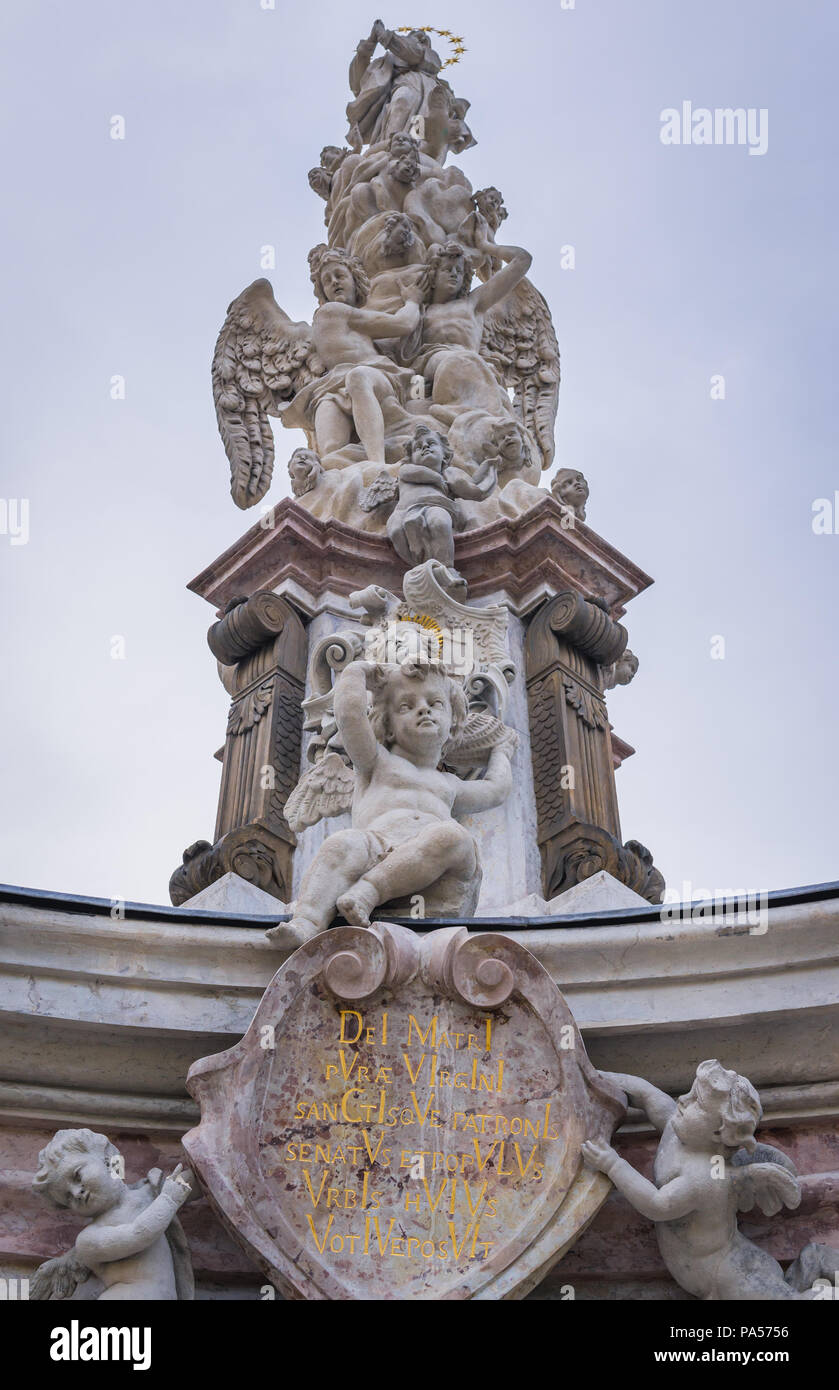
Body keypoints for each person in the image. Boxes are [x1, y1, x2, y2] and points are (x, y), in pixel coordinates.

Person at [269, 657, 513, 943]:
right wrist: (356, 670)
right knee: (342, 843)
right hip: (376, 847)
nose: (423, 709)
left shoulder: (450, 785)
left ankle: (368, 892)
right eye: (406, 706)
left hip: (436, 867)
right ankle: (307, 923)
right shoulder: (375, 762)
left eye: (435, 703)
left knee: (452, 836)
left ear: (452, 722)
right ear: (388, 725)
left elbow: (496, 789)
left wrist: (502, 752)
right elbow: (349, 716)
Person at [31, 1128, 192, 1301]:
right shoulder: (88, 1240)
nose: (76, 1193)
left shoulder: (150, 1192)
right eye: (68, 1197)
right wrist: (168, 1199)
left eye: (77, 1175)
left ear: (108, 1161)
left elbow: (201, 1180)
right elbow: (138, 1234)